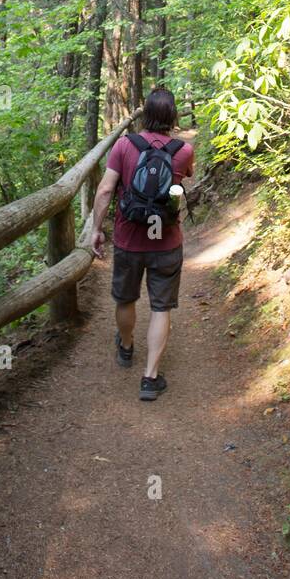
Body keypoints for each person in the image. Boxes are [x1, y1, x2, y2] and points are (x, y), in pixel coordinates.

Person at [91, 87, 194, 401]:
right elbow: (182, 180)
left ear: (146, 114)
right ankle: (150, 377)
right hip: (166, 241)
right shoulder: (184, 150)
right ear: (173, 116)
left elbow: (106, 190)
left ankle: (125, 346)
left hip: (128, 238)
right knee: (161, 307)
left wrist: (96, 229)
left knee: (126, 298)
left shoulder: (124, 145)